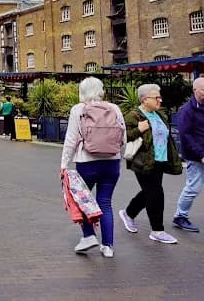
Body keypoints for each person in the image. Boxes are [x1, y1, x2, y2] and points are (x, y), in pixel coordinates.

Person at [59, 77, 126, 258]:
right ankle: (108, 246)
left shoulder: (78, 110)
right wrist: (119, 156)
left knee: (82, 201)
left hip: (87, 162)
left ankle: (88, 236)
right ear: (100, 90)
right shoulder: (115, 109)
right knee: (105, 202)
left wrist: (64, 164)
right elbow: (123, 137)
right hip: (112, 163)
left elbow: (71, 140)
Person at [119, 83, 183, 244]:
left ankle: (128, 213)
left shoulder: (160, 115)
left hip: (159, 160)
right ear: (145, 99)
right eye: (156, 97)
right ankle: (157, 230)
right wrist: (138, 130)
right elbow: (122, 137)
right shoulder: (133, 116)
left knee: (148, 192)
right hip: (142, 162)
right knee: (156, 194)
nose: (160, 100)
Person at [172, 77, 204, 233]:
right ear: (195, 90)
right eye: (203, 90)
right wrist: (201, 154)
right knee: (193, 187)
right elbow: (186, 135)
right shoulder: (187, 110)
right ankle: (180, 216)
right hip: (196, 156)